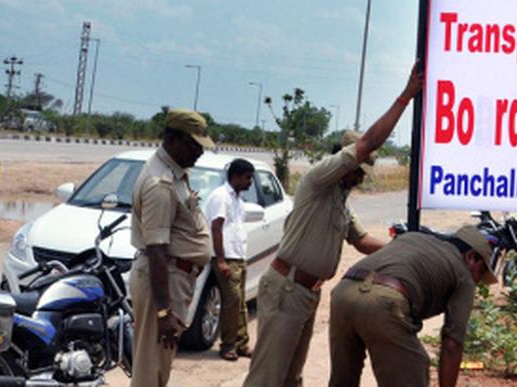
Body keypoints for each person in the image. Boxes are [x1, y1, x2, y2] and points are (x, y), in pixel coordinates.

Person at [244, 62, 424, 387]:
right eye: (358, 170)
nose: (358, 178)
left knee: (290, 378)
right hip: (287, 289)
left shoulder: (338, 199)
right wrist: (406, 97)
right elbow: (369, 143)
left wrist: (405, 248)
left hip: (307, 293)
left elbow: (362, 240)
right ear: (345, 161)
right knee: (266, 379)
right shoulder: (319, 180)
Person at [327, 224, 498, 387]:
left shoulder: (414, 238)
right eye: (481, 271)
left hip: (343, 293)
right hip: (383, 301)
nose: (478, 280)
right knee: (412, 371)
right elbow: (452, 344)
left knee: (342, 380)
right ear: (470, 257)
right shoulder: (464, 275)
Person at [129, 109, 214, 387]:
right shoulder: (160, 184)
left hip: (173, 279)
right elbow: (156, 251)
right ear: (172, 138)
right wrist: (163, 312)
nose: (199, 152)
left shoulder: (175, 173)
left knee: (157, 368)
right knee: (150, 372)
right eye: (194, 145)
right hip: (163, 282)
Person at [204, 157, 257, 361]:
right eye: (247, 178)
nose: (249, 182)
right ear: (235, 176)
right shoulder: (221, 197)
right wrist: (221, 260)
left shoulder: (237, 199)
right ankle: (227, 345)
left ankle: (241, 343)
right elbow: (216, 227)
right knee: (232, 300)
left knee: (241, 302)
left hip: (239, 256)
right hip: (226, 258)